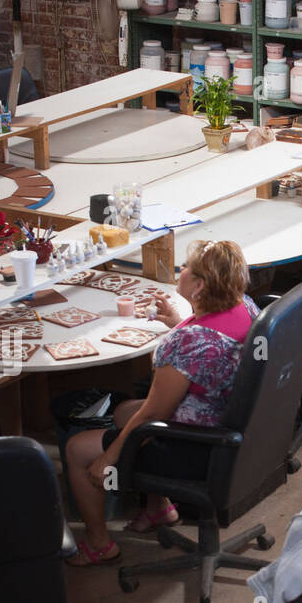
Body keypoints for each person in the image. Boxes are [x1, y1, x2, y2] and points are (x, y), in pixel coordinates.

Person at [65, 240, 259, 566]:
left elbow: (154, 413)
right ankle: (159, 508)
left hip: (196, 449)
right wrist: (179, 323)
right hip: (234, 427)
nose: (180, 271)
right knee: (124, 411)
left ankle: (99, 544)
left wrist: (109, 459)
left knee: (77, 449)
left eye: (186, 268)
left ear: (198, 286)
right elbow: (210, 349)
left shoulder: (188, 344)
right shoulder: (245, 307)